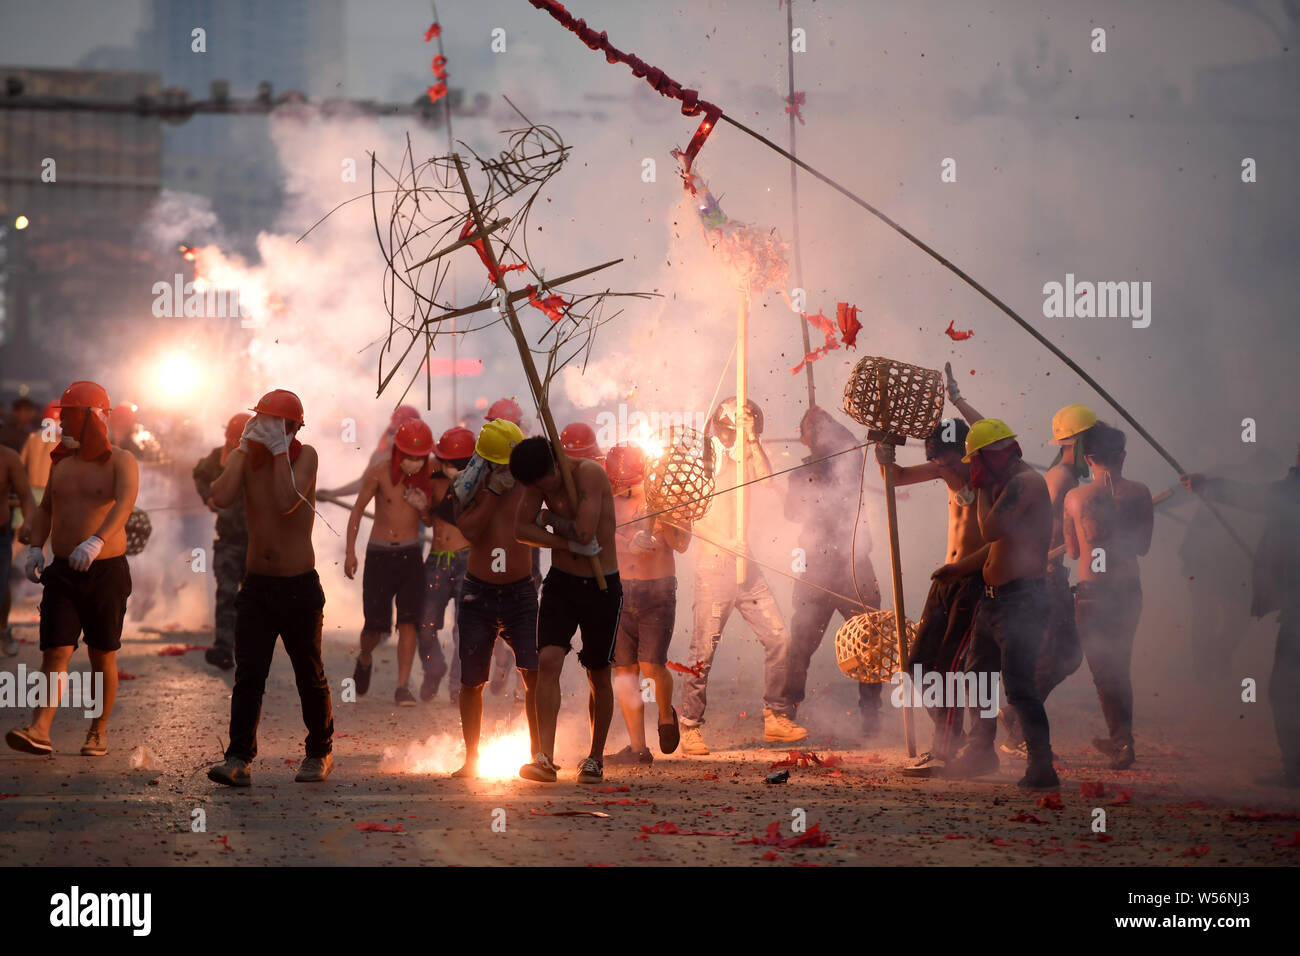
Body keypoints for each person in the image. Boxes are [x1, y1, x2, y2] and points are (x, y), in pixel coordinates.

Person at [206, 389, 333, 786]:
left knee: (308, 675)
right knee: (249, 676)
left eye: (274, 423)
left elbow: (284, 500)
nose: (265, 429)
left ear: (293, 428)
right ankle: (239, 757)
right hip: (257, 586)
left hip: (298, 586)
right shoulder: (248, 459)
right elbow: (220, 496)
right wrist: (242, 447)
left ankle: (319, 752)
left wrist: (281, 449)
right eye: (260, 421)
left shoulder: (305, 455)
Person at [6, 381, 137, 758]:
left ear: (91, 418)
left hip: (105, 571)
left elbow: (124, 506)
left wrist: (96, 541)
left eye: (68, 416)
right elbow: (46, 508)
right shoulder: (61, 463)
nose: (61, 424)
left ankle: (98, 730)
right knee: (55, 651)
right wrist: (34, 548)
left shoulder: (122, 461)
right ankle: (40, 729)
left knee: (102, 654)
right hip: (62, 572)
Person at [679, 397, 806, 755]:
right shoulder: (702, 461)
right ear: (722, 428)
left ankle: (776, 716)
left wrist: (751, 439)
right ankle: (689, 726)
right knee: (703, 650)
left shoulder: (747, 457)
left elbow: (766, 480)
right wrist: (726, 540)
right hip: (713, 567)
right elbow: (694, 519)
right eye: (737, 430)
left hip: (747, 569)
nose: (738, 439)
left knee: (780, 638)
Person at [947, 418, 1058, 790]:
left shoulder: (1025, 484)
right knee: (976, 675)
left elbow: (989, 531)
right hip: (993, 600)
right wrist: (958, 569)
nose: (975, 471)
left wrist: (980, 489)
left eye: (976, 462)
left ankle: (1042, 767)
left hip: (1021, 600)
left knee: (1019, 686)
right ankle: (980, 752)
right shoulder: (1010, 485)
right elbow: (996, 548)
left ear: (993, 456)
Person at [1181, 444, 1300, 787]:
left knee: (1286, 687)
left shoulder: (1293, 489)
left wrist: (1209, 487)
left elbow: (1260, 498)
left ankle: (1296, 769)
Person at [877, 416, 989, 777]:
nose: (947, 469)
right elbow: (896, 478)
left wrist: (959, 401)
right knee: (917, 668)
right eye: (941, 464)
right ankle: (951, 742)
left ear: (968, 453)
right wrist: (884, 453)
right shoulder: (944, 468)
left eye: (953, 462)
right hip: (944, 581)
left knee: (951, 670)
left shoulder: (988, 476)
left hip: (973, 582)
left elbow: (1002, 542)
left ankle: (945, 751)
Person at [511, 434, 622, 784]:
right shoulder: (536, 482)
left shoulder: (588, 474)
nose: (545, 487)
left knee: (598, 672)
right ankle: (544, 756)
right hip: (561, 582)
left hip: (601, 585)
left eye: (547, 480)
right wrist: (562, 540)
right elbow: (520, 528)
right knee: (548, 660)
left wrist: (550, 519)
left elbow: (586, 532)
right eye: (537, 485)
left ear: (555, 464)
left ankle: (595, 757)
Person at [446, 419, 540, 778]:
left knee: (534, 673)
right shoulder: (468, 488)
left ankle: (538, 754)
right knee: (472, 681)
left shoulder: (529, 485)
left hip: (521, 592)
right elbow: (469, 530)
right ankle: (472, 759)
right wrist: (493, 493)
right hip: (478, 593)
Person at [785, 406, 884, 736]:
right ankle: (786, 711)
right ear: (803, 439)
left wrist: (822, 419)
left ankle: (871, 715)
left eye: (824, 428)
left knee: (871, 642)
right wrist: (811, 477)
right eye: (812, 430)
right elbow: (790, 514)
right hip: (815, 569)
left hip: (855, 565)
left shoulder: (849, 461)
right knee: (800, 644)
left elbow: (852, 442)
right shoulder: (800, 474)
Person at [1063, 422, 1152, 770]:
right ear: (1123, 456)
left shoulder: (1075, 498)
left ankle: (1122, 742)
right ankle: (1122, 738)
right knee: (1120, 667)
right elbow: (1143, 547)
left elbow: (1071, 551)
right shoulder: (1141, 492)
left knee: (1105, 672)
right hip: (1128, 592)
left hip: (1093, 593)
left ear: (1088, 458)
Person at [603, 442, 686, 765]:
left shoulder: (666, 498)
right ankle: (638, 748)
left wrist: (669, 520)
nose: (620, 485)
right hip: (621, 589)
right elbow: (600, 535)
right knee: (624, 671)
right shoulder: (607, 501)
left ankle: (666, 715)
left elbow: (681, 544)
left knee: (652, 664)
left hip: (658, 591)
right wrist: (628, 541)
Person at [345, 417, 436, 706]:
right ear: (398, 452)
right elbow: (357, 511)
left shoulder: (428, 473)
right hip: (379, 554)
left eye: (420, 457)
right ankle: (365, 657)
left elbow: (434, 520)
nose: (415, 462)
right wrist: (350, 551)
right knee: (375, 626)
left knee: (409, 622)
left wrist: (424, 510)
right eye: (410, 455)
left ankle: (402, 686)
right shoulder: (379, 473)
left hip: (410, 555)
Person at [416, 425, 474, 702]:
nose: (441, 462)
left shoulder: (479, 484)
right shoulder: (433, 475)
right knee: (425, 624)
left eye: (447, 459)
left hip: (467, 559)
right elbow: (429, 520)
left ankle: (458, 687)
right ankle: (434, 668)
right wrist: (421, 507)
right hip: (438, 558)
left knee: (464, 628)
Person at [192, 413, 251, 670]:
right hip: (228, 537)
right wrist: (209, 499)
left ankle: (250, 652)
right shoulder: (217, 457)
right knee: (226, 594)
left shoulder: (259, 459)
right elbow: (199, 474)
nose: (231, 442)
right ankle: (224, 648)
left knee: (252, 600)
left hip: (257, 542)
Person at [0, 440, 37, 656]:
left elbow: (26, 497)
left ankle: (3, 628)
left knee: (1, 584)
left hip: (1, 532)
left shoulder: (8, 457)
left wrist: (28, 521)